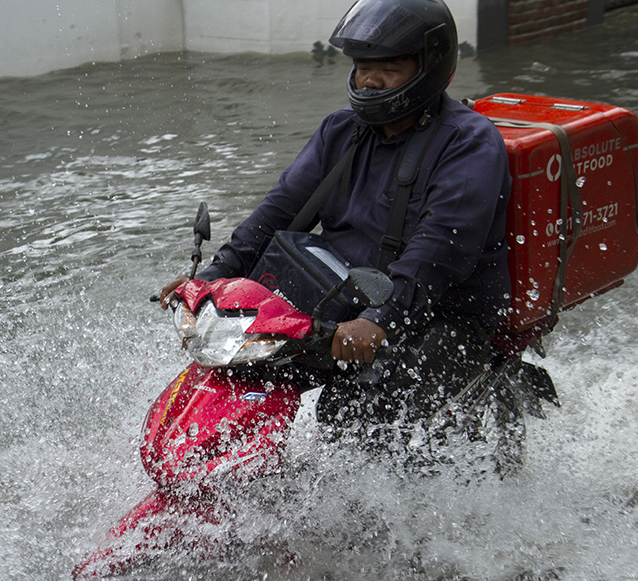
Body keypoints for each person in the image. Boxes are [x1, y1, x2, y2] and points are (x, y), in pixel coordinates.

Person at [160, 0, 513, 453]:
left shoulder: (469, 142)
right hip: (339, 302)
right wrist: (209, 279)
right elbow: (276, 214)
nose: (370, 79)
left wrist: (381, 319)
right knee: (237, 367)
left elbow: (439, 251)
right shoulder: (341, 131)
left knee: (352, 414)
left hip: (437, 312)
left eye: (389, 67)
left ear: (429, 66)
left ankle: (381, 518)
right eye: (363, 66)